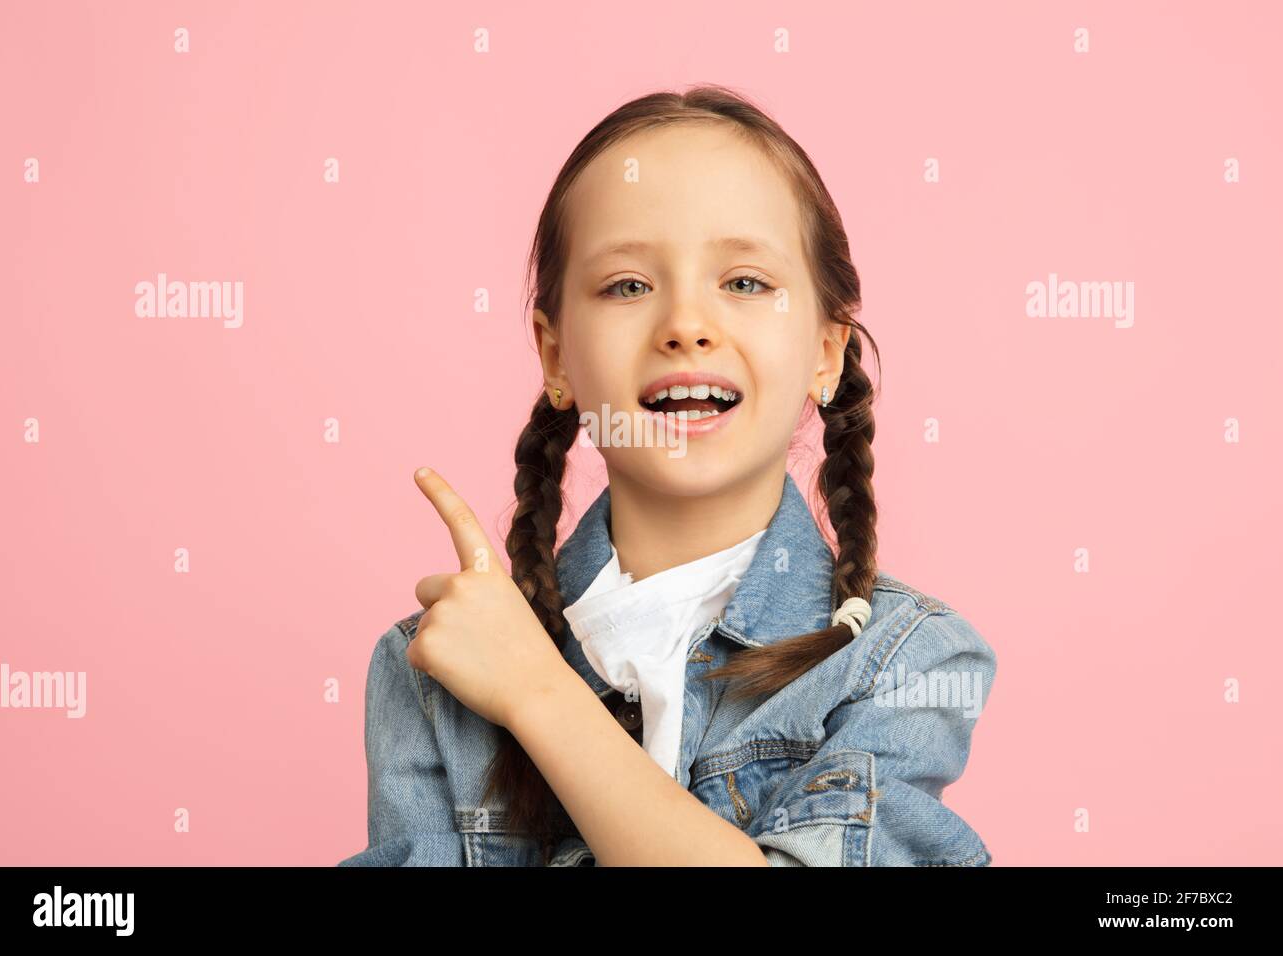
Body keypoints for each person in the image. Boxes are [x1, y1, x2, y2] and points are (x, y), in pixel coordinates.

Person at [339, 84, 997, 867]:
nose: (686, 324)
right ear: (556, 357)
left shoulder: (907, 660)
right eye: (628, 285)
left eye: (745, 282)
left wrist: (536, 693)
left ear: (826, 351)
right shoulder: (436, 667)